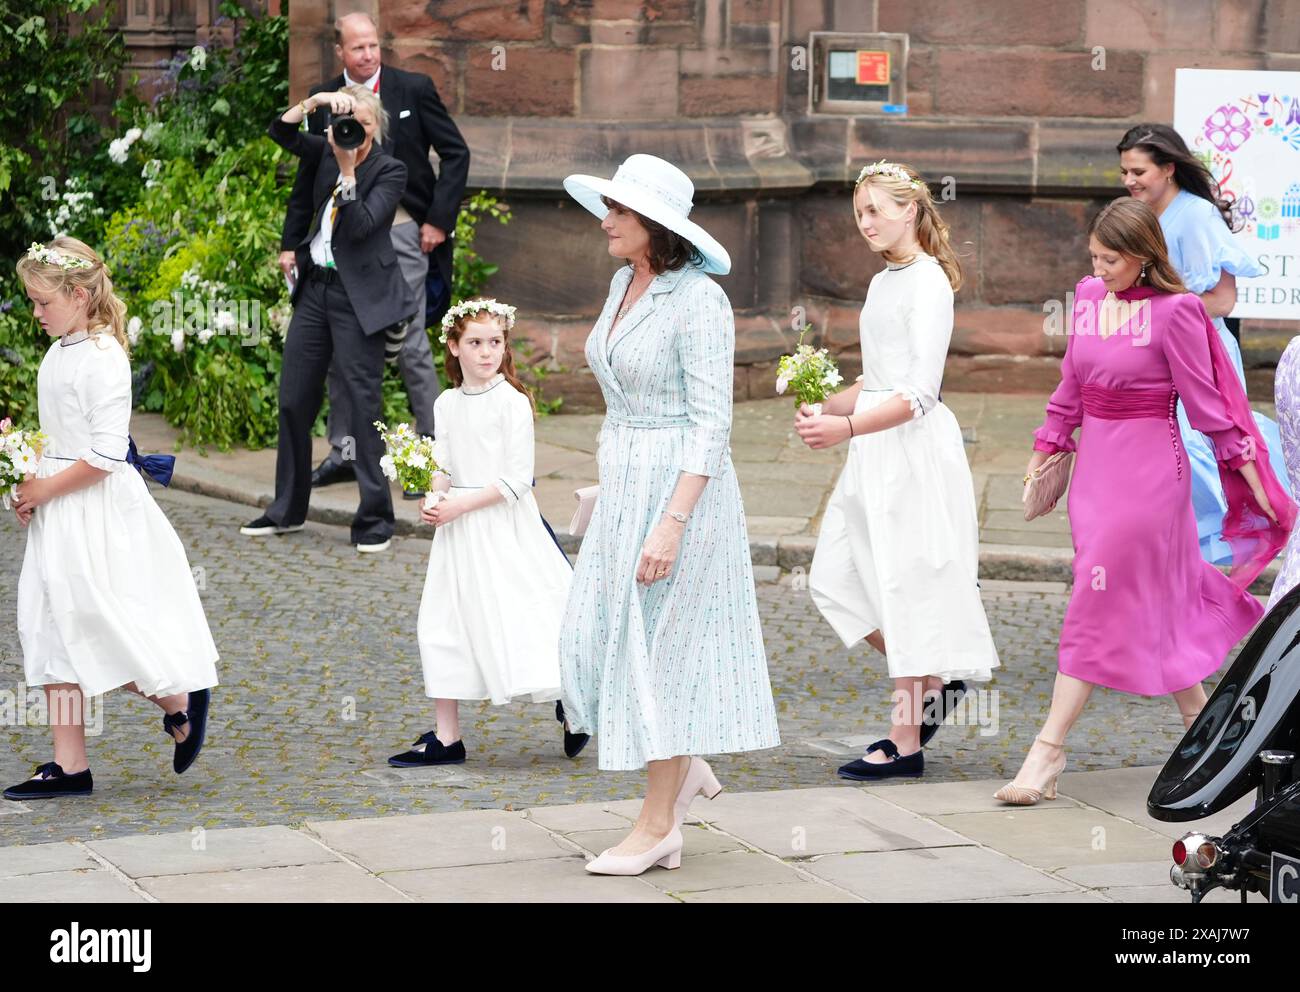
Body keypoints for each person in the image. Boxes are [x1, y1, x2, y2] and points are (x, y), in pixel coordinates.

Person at [997, 198, 1294, 806]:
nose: (1100, 269)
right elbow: (1070, 387)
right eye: (1095, 258)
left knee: (1094, 598)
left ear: (1141, 257)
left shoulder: (1177, 312)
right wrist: (1046, 447)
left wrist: (1257, 481)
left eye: (1111, 260)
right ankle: (1212, 734)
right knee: (1152, 601)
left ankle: (1047, 752)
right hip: (1095, 481)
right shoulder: (1086, 298)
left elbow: (1211, 408)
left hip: (1152, 477)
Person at [558, 154, 780, 877]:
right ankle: (683, 774)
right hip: (625, 484)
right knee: (588, 640)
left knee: (659, 659)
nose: (606, 221)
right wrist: (612, 492)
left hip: (685, 497)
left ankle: (658, 825)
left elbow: (711, 426)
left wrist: (671, 521)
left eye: (619, 211)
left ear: (653, 223)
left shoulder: (698, 301)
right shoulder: (625, 281)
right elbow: (623, 392)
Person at [800, 161, 1000, 781]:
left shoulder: (929, 283)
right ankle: (937, 677)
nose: (865, 223)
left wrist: (848, 426)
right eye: (859, 213)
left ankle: (903, 739)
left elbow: (920, 392)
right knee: (833, 579)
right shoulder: (884, 281)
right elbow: (878, 375)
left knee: (906, 588)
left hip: (912, 452)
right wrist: (827, 403)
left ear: (910, 210)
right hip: (872, 450)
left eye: (875, 211)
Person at [5, 238, 218, 801]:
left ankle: (177, 699)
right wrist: (24, 480)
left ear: (78, 295)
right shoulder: (60, 350)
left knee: (95, 622)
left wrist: (46, 488)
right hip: (60, 504)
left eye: (41, 302)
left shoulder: (102, 358)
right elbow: (60, 439)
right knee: (49, 626)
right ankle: (69, 764)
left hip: (94, 511)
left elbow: (102, 454)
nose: (35, 313)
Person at [388, 299, 589, 766]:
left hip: (503, 524)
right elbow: (445, 463)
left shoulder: (512, 403)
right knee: (443, 623)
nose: (486, 352)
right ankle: (447, 736)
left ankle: (574, 701)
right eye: (475, 343)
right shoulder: (446, 402)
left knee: (529, 614)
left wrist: (460, 503)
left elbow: (518, 479)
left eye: (494, 342)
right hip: (458, 529)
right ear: (454, 347)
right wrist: (435, 495)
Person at [280, 11, 470, 501]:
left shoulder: (413, 87)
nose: (367, 54)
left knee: (407, 348)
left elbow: (456, 153)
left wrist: (439, 221)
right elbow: (307, 179)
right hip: (335, 242)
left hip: (401, 232)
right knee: (342, 355)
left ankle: (426, 460)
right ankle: (345, 453)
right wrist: (289, 243)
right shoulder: (325, 98)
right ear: (340, 51)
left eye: (374, 46)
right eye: (357, 47)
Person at [242, 85, 408, 552]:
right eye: (348, 121)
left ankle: (375, 519)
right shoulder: (323, 150)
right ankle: (286, 510)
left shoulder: (390, 170)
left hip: (361, 301)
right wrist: (313, 104)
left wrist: (350, 170)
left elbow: (359, 228)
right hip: (316, 291)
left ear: (376, 128)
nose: (355, 130)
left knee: (362, 408)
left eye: (365, 122)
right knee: (294, 399)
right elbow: (280, 131)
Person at [1117, 123, 1288, 565]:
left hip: (1198, 353)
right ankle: (1174, 551)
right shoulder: (1143, 214)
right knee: (1162, 449)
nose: (1129, 181)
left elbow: (1223, 299)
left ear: (1169, 169)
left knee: (1198, 447)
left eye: (1139, 171)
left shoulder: (1197, 217)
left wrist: (1158, 311)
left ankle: (1211, 547)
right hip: (1156, 353)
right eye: (1124, 172)